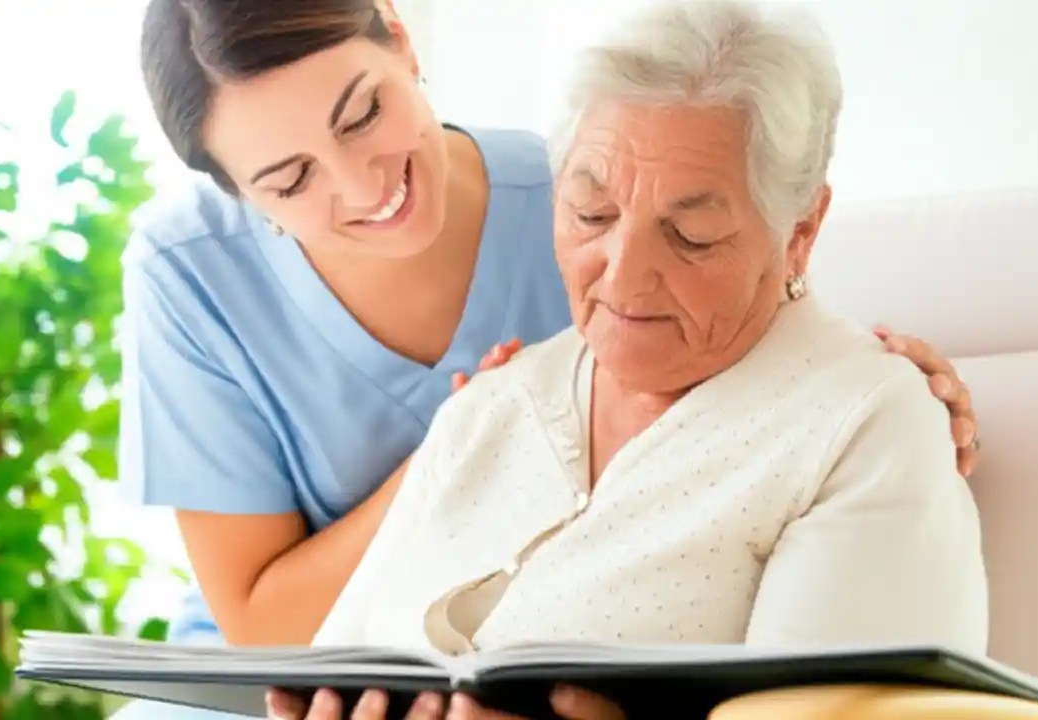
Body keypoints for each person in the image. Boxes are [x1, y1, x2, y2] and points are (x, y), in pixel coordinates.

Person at [117, 0, 981, 717]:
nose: (362, 185)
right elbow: (291, 647)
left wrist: (900, 393)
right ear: (238, 196)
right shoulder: (482, 406)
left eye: (690, 233)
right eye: (592, 217)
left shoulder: (852, 418)